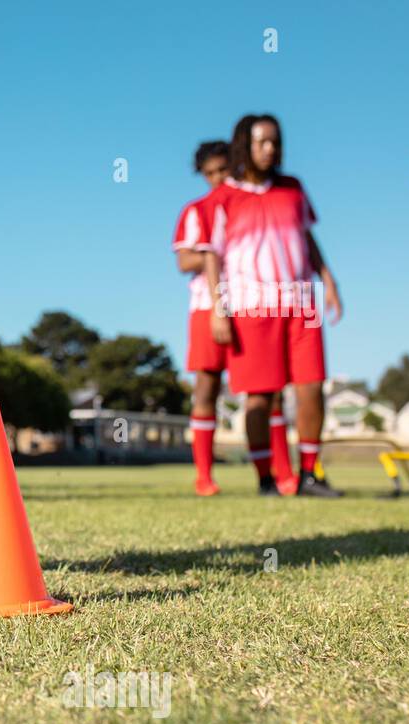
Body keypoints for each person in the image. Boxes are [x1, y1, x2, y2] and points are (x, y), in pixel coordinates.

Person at [200, 114, 344, 498]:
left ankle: (310, 473)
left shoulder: (293, 188)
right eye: (262, 142)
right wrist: (218, 307)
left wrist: (329, 282)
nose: (271, 149)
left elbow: (308, 238)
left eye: (276, 142)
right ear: (244, 146)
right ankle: (265, 478)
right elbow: (211, 256)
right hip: (251, 305)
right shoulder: (223, 198)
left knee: (311, 386)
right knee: (260, 396)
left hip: (301, 303)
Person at [175, 141, 295, 496]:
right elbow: (185, 261)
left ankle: (279, 473)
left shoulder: (255, 204)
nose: (217, 179)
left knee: (267, 390)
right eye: (209, 174)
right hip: (207, 307)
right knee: (207, 386)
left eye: (222, 171)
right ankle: (204, 476)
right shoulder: (198, 210)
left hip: (254, 304)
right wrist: (219, 251)